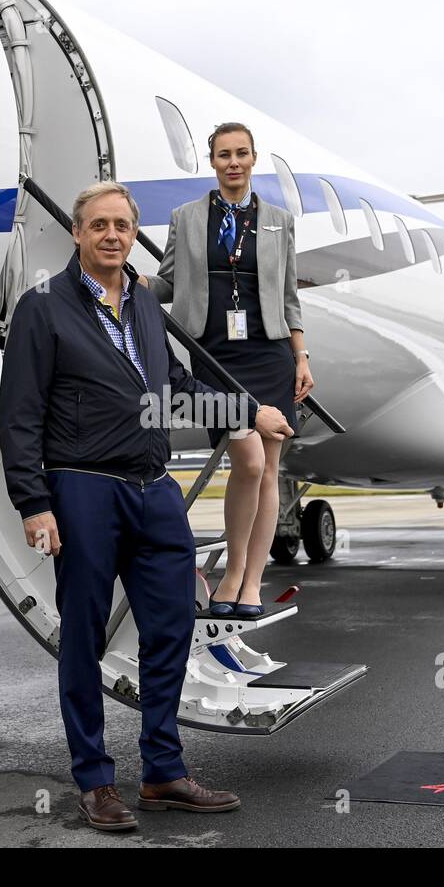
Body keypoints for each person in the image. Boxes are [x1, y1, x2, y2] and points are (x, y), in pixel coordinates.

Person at [0, 181, 293, 832]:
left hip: (153, 490)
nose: (111, 235)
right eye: (98, 224)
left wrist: (250, 412)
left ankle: (162, 772)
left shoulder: (145, 306)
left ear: (134, 233)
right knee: (83, 635)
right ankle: (95, 782)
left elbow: (177, 386)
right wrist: (33, 502)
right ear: (77, 233)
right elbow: (17, 414)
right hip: (82, 488)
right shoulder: (42, 308)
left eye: (122, 225)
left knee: (170, 630)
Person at [143, 123, 314, 618]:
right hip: (216, 354)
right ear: (212, 162)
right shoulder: (187, 217)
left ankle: (252, 583)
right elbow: (171, 281)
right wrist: (130, 283)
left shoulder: (280, 220)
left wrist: (301, 357)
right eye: (224, 155)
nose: (233, 162)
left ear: (254, 158)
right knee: (250, 462)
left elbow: (288, 297)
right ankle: (233, 571)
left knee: (270, 468)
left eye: (241, 154)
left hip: (270, 352)